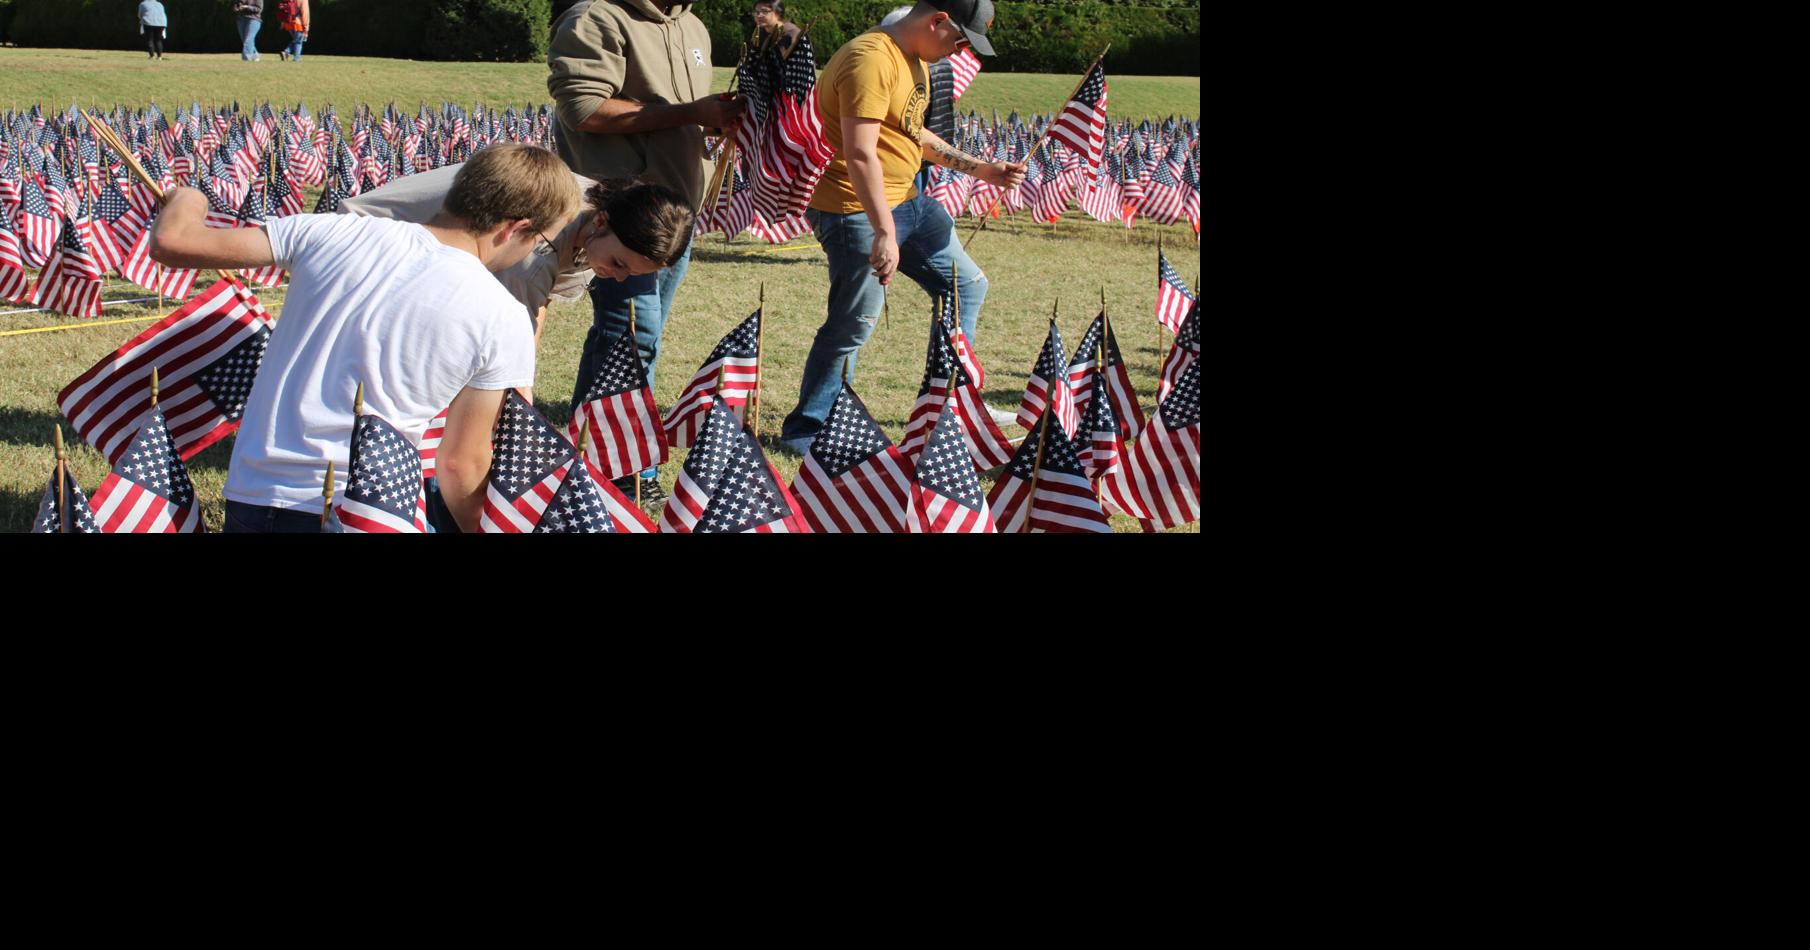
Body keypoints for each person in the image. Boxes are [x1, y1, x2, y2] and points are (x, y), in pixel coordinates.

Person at [147, 144, 581, 533]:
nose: (535, 253)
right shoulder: (503, 314)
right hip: (366, 509)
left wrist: (190, 198)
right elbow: (459, 464)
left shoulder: (330, 230)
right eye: (541, 241)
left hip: (254, 494)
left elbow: (173, 241)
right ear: (513, 228)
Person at [339, 164, 694, 508]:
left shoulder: (598, 221)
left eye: (631, 273)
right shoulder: (535, 249)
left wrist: (523, 395)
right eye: (619, 264)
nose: (619, 278)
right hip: (365, 248)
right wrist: (513, 410)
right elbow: (501, 336)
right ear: (601, 222)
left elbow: (536, 306)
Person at [777, 0, 1024, 455]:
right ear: (938, 21)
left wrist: (981, 169)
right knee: (854, 323)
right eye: (960, 40)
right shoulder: (869, 59)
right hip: (856, 210)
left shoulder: (915, 61)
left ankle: (947, 407)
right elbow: (860, 153)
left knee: (966, 285)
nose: (959, 51)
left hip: (909, 201)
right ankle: (806, 430)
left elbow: (913, 133)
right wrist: (884, 232)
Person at [547, 0, 744, 502]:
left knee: (621, 339)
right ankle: (623, 470)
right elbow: (584, 108)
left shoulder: (693, 25)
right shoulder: (596, 18)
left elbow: (680, 117)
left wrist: (711, 123)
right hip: (621, 220)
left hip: (673, 220)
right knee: (635, 339)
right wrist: (692, 113)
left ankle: (585, 449)